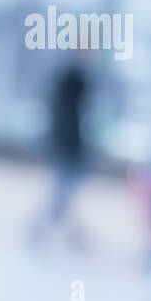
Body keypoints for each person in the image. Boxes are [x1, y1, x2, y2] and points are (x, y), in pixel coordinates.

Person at [29, 53, 91, 248]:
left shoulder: (73, 77)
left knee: (64, 193)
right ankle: (59, 234)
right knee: (62, 194)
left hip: (69, 145)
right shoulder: (71, 78)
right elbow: (66, 117)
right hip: (67, 146)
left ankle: (72, 235)